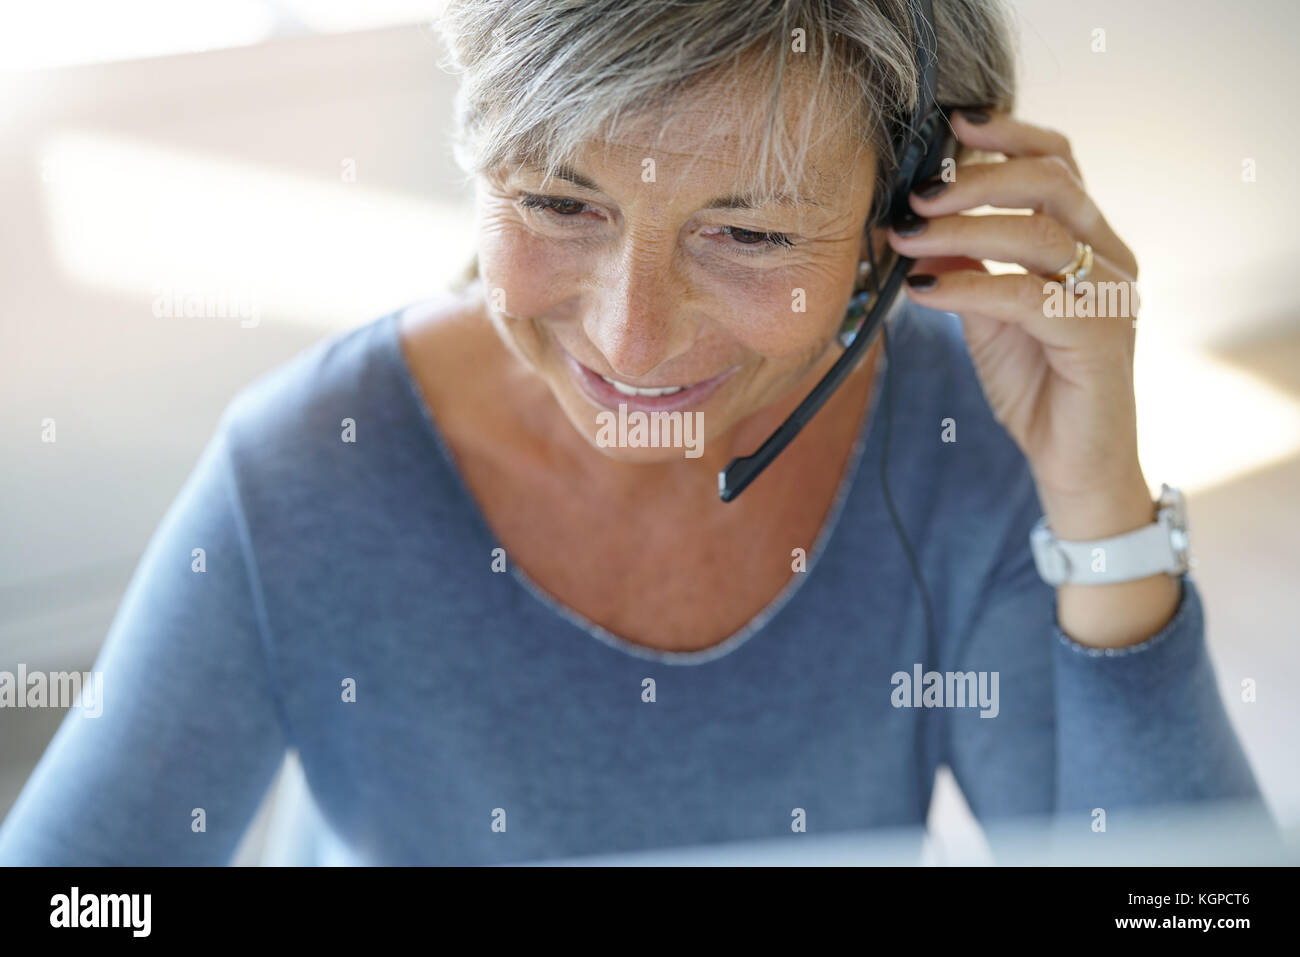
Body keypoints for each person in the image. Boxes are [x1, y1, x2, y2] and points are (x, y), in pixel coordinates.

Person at [0, 0, 1265, 865]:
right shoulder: (302, 470)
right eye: (558, 201)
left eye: (751, 233)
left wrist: (1098, 500)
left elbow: (1172, 904)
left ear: (908, 221)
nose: (630, 340)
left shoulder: (954, 420)